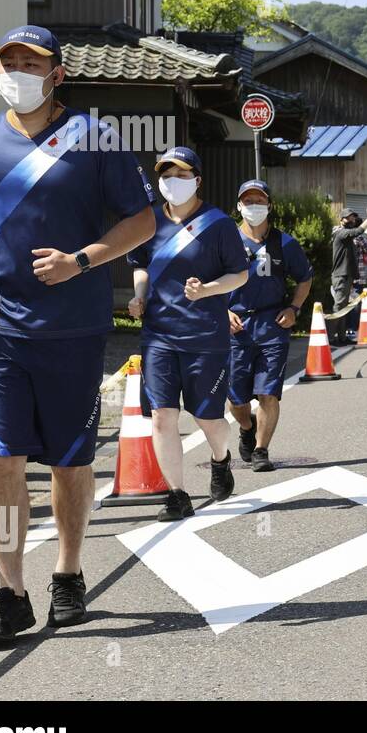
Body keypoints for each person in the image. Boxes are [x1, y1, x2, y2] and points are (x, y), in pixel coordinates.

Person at [0, 25, 155, 642]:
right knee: (0, 461)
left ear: (57, 74)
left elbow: (142, 219)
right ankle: (10, 591)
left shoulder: (96, 139)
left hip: (74, 330)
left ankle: (69, 573)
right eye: (10, 61)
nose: (18, 71)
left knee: (70, 460)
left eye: (32, 62)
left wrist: (81, 260)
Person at [127, 147, 248, 522]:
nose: (171, 182)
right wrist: (139, 296)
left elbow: (240, 274)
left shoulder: (219, 224)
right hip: (159, 335)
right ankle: (177, 494)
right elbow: (142, 266)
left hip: (206, 337)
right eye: (165, 175)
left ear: (197, 180)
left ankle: (220, 459)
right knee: (163, 416)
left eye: (180, 175)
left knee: (207, 417)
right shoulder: (148, 222)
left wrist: (209, 290)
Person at [226, 180, 313, 473]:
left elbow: (305, 278)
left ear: (269, 206)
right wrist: (222, 311)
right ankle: (247, 427)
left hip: (272, 326)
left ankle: (261, 450)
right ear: (238, 206)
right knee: (235, 400)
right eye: (247, 201)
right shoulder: (225, 241)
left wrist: (294, 308)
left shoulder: (284, 243)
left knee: (268, 393)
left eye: (259, 201)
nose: (253, 207)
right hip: (235, 328)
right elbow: (206, 283)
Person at [329, 208, 367, 346]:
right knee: (339, 306)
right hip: (340, 276)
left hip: (347, 276)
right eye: (348, 218)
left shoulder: (347, 236)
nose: (351, 220)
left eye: (353, 217)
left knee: (344, 307)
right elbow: (358, 231)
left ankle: (341, 337)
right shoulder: (341, 233)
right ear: (341, 220)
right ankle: (329, 337)